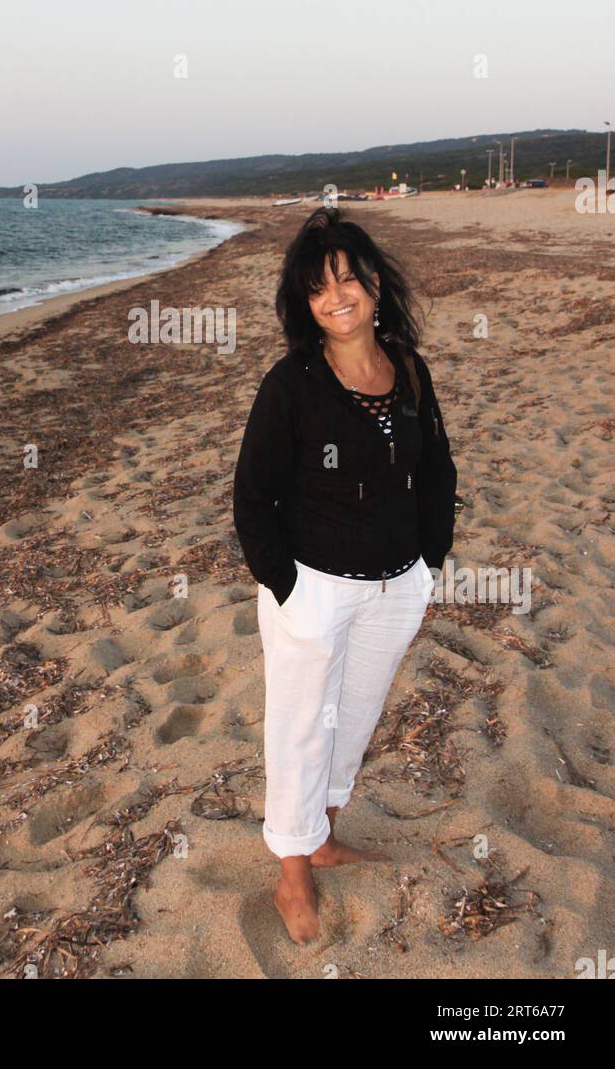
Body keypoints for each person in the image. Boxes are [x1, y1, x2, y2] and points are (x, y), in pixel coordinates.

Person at [232, 205, 458, 944]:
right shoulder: (292, 383)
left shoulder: (410, 370)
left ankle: (323, 834)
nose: (338, 296)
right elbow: (252, 495)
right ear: (305, 304)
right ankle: (291, 871)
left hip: (396, 586)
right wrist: (288, 587)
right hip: (314, 588)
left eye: (349, 279)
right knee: (299, 730)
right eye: (319, 287)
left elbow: (438, 470)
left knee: (353, 722)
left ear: (374, 286)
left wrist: (429, 561)